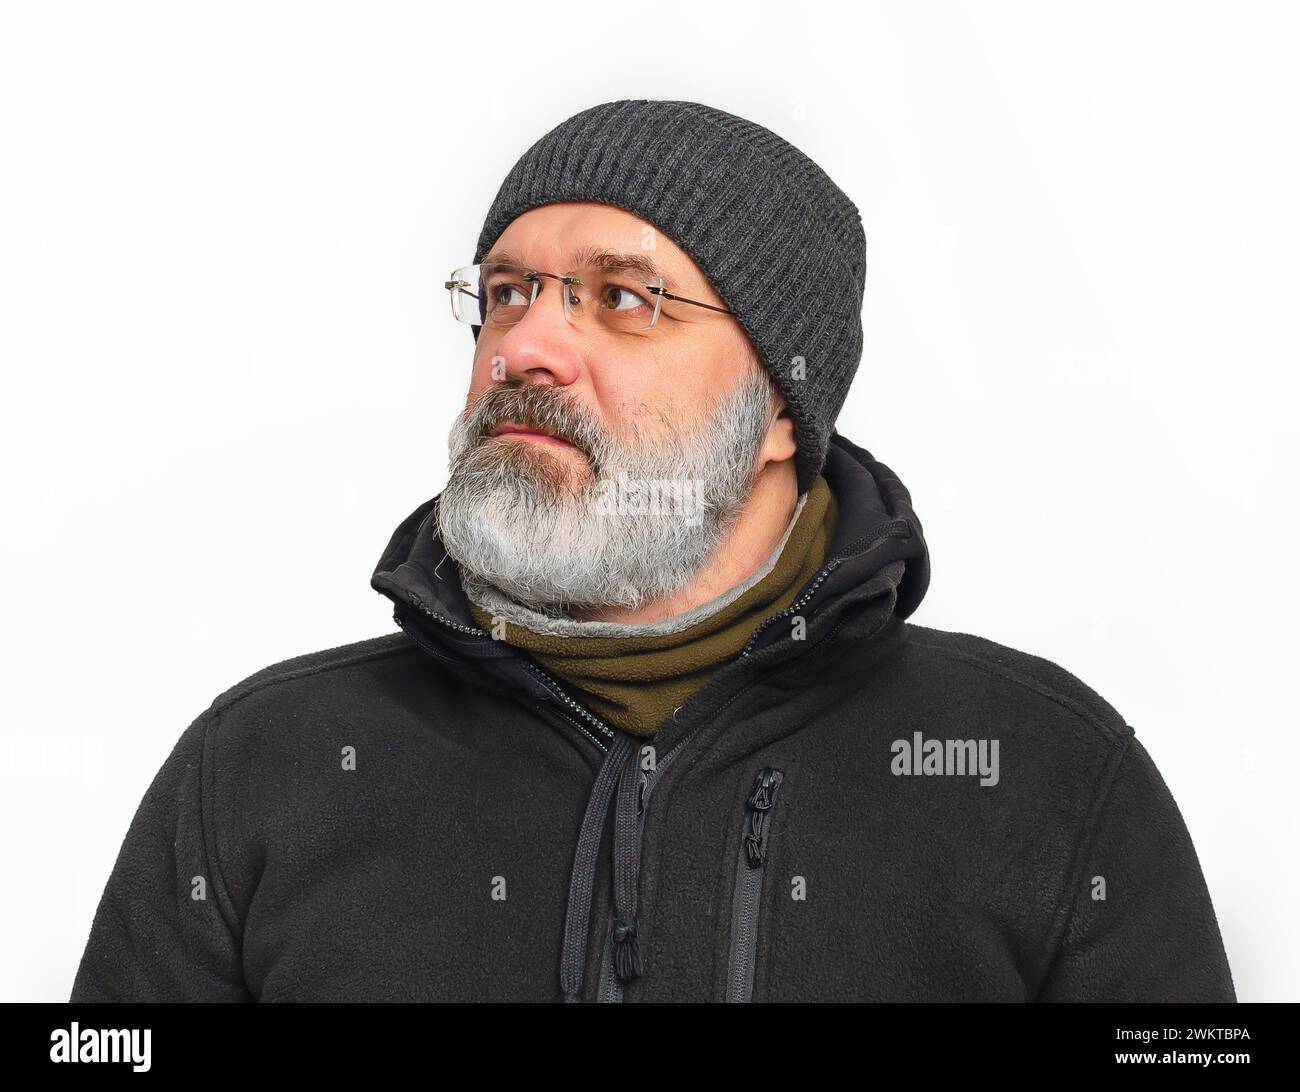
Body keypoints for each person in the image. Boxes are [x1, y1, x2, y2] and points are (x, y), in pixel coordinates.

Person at [70, 99, 1235, 1002]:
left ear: (784, 407)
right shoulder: (260, 768)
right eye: (508, 291)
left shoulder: (1043, 774)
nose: (526, 345)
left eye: (623, 299)